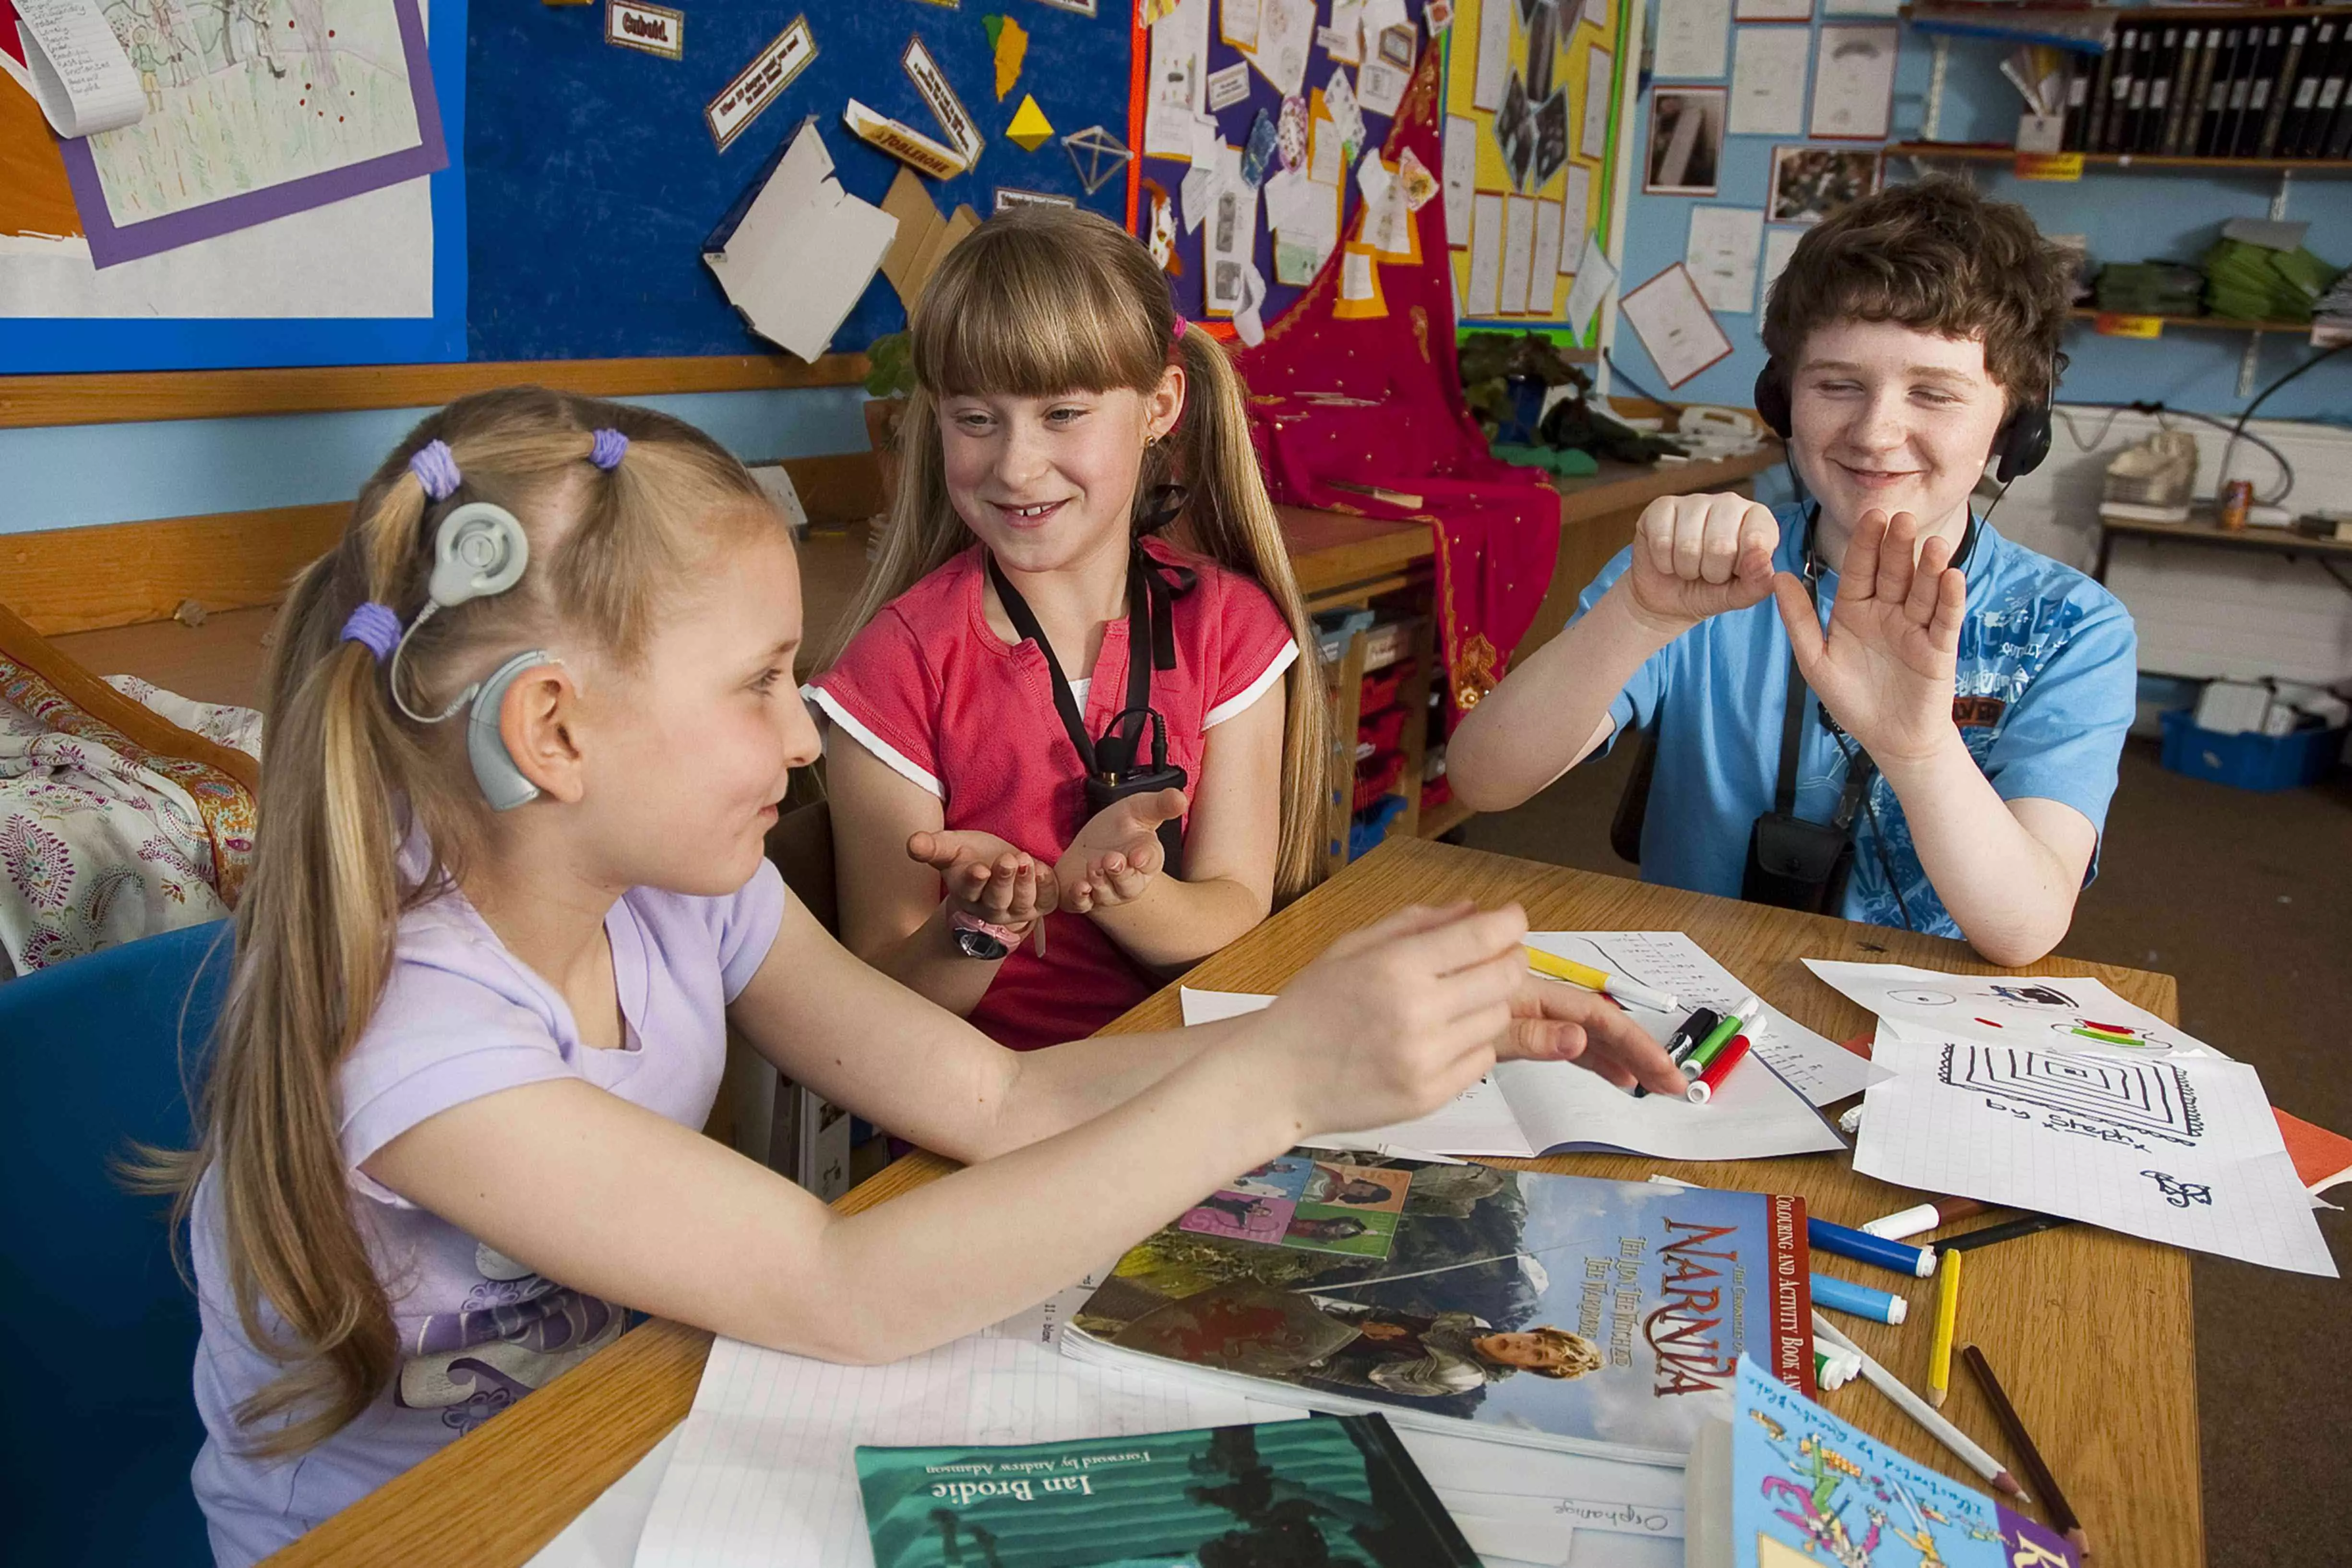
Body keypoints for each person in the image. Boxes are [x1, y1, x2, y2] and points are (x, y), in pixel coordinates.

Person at [155, 387, 1686, 1564]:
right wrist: (1281, 1078)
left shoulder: (685, 896)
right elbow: (843, 1288)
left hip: (616, 1446)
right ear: (555, 734)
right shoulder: (423, 1046)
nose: (808, 736)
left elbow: (998, 1094)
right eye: (762, 683)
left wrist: (1324, 1028)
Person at [1448, 180, 2136, 965]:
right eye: (1838, 384)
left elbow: (2024, 928)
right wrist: (1639, 616)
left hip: (1923, 1022)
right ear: (1782, 400)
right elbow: (1482, 780)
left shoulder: (2072, 626)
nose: (1877, 434)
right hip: (1691, 988)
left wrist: (1918, 751)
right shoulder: (1702, 574)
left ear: (2016, 427)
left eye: (1934, 394)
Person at [808, 205, 1327, 1050]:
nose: (1015, 465)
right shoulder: (894, 666)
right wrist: (976, 926)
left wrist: (1126, 890)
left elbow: (1235, 907)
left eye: (1062, 415)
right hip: (993, 1100)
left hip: (1188, 1068)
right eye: (976, 419)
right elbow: (883, 999)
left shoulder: (1229, 626)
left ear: (1160, 406)